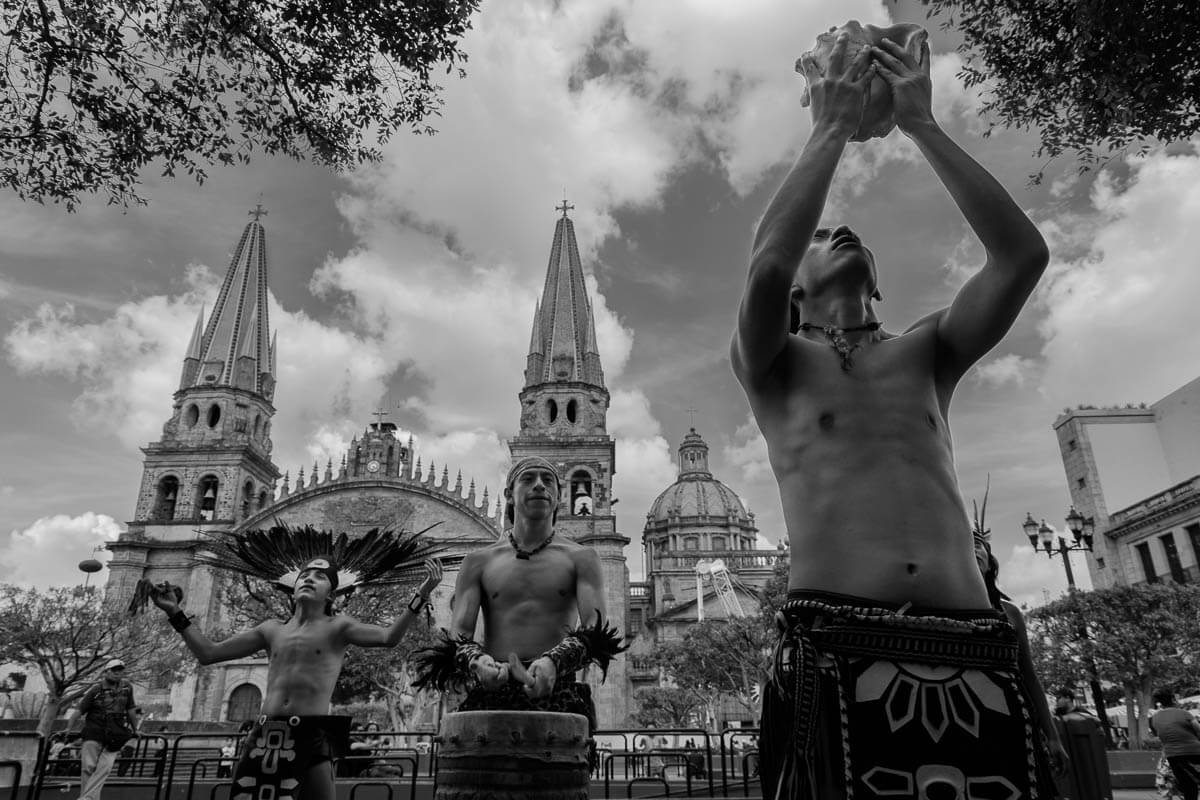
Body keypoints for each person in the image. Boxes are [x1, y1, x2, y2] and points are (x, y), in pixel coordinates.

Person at [731, 28, 1052, 800]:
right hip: (835, 645)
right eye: (818, 236)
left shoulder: (929, 350)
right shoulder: (774, 367)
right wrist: (831, 126)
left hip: (976, 643)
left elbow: (1022, 257)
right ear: (798, 296)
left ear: (876, 284)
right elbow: (768, 262)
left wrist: (921, 123)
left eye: (849, 234)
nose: (837, 229)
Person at [147, 554, 442, 800]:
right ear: (293, 587)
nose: (310, 579)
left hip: (311, 734)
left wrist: (423, 593)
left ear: (332, 595)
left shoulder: (338, 627)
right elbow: (208, 653)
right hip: (265, 733)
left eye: (320, 576)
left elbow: (389, 637)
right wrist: (175, 612)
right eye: (305, 575)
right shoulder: (271, 629)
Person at [413, 457, 625, 736]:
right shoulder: (478, 561)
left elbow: (595, 632)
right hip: (493, 693)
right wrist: (478, 663)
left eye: (547, 480)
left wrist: (553, 663)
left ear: (559, 496)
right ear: (509, 495)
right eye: (528, 479)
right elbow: (458, 636)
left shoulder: (582, 558)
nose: (539, 485)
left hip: (558, 693)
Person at [74, 658, 139, 800]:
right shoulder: (96, 690)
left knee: (105, 768)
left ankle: (86, 799)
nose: (117, 673)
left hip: (114, 734)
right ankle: (89, 798)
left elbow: (131, 709)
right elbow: (80, 709)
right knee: (88, 768)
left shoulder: (127, 687)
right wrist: (68, 728)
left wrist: (136, 729)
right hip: (93, 732)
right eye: (114, 670)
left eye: (120, 671)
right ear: (106, 672)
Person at [1151, 690, 1200, 800]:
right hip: (1195, 752)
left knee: (1189, 786)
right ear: (1173, 700)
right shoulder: (1184, 713)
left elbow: (1160, 735)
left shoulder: (1155, 718)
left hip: (1172, 756)